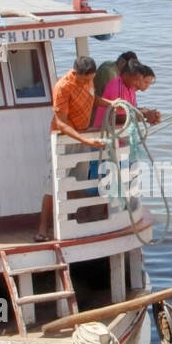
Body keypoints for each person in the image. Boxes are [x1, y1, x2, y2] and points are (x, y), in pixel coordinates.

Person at [36, 56, 104, 242]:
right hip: (62, 139)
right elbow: (61, 123)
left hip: (82, 138)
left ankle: (74, 221)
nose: (86, 82)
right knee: (53, 184)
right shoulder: (63, 87)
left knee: (77, 180)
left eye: (90, 79)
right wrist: (85, 140)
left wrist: (111, 103)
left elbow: (92, 99)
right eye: (83, 79)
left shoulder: (88, 81)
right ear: (75, 73)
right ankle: (43, 228)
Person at [91, 50, 138, 122]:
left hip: (102, 106)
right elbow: (117, 102)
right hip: (99, 111)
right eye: (129, 67)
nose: (130, 71)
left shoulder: (109, 64)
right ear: (122, 62)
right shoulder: (111, 73)